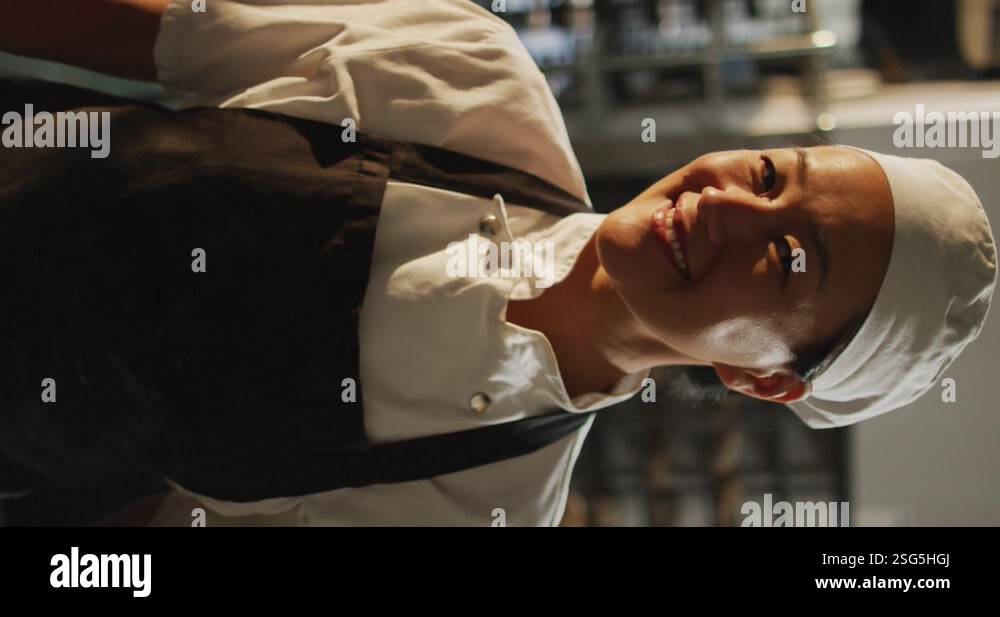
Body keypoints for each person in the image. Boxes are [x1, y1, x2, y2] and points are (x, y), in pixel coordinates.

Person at [0, 0, 994, 526]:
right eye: (771, 171)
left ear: (765, 376)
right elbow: (138, 32)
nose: (725, 202)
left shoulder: (482, 506)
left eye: (785, 256)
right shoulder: (472, 71)